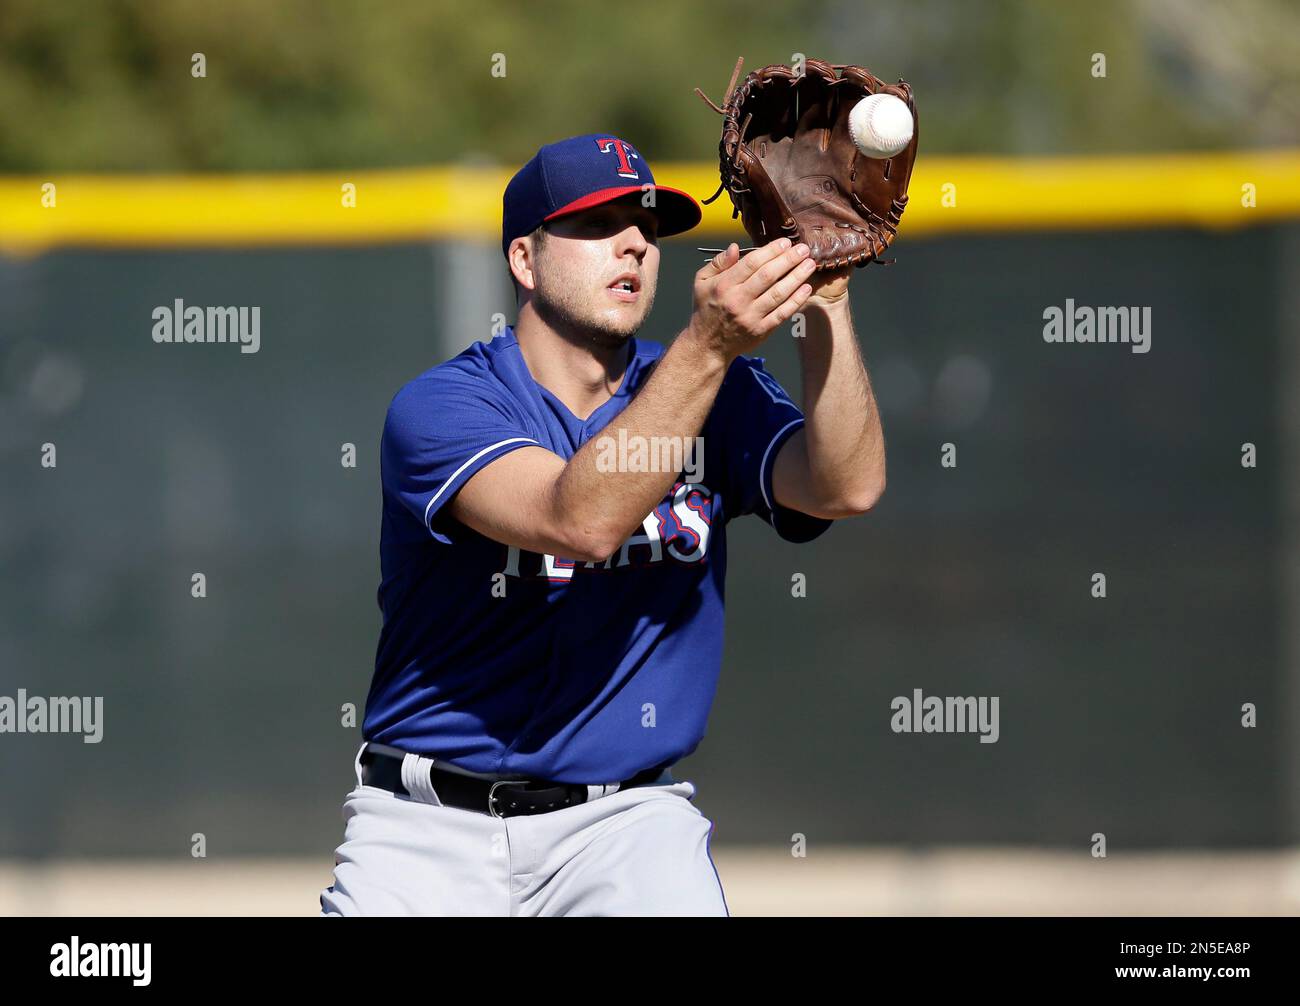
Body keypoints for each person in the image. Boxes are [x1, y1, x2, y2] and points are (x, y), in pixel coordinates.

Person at [320, 133, 886, 916]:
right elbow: (577, 519)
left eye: (647, 226)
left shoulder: (711, 387)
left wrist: (828, 300)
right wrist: (708, 346)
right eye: (595, 223)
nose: (632, 243)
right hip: (426, 828)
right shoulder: (444, 407)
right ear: (524, 259)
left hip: (624, 825)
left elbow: (845, 486)